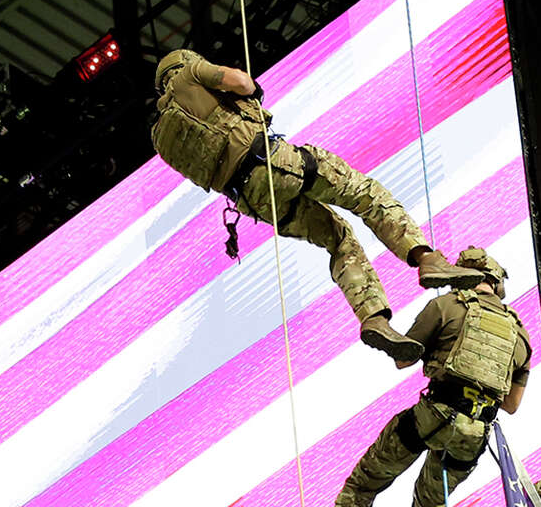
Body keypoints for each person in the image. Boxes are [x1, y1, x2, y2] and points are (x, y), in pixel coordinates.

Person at [151, 49, 481, 361]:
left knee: (338, 239)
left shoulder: (161, 137)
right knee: (364, 193)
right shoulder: (189, 74)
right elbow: (240, 82)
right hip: (272, 162)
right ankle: (427, 258)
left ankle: (373, 318)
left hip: (253, 201)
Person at [291, 248, 528, 507]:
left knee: (365, 483)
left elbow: (405, 358)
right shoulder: (520, 335)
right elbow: (512, 404)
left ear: (462, 276)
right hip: (473, 436)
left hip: (432, 415)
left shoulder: (447, 305)